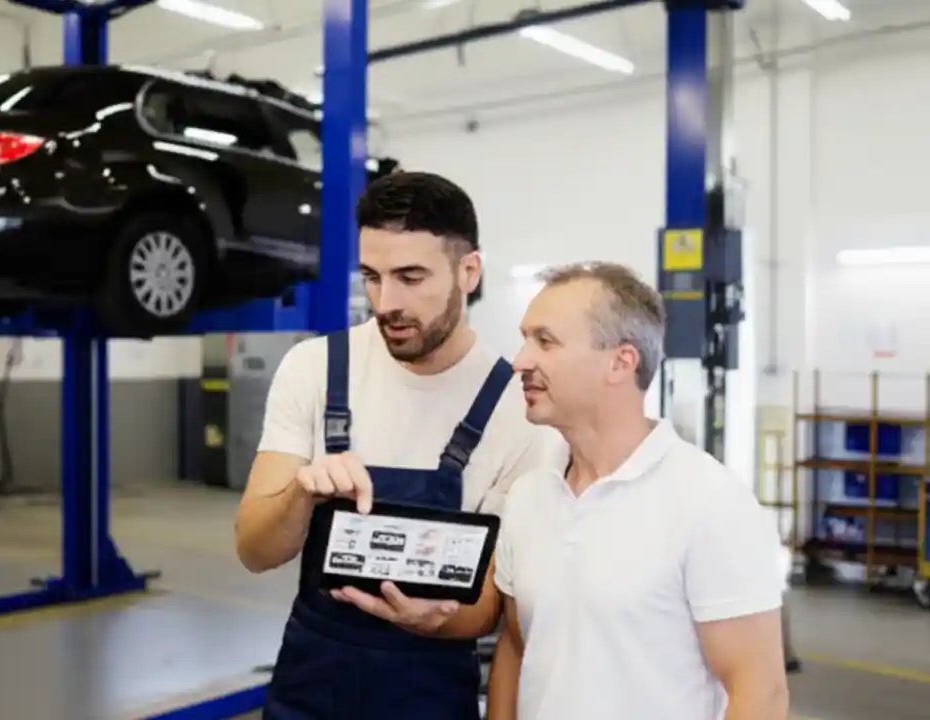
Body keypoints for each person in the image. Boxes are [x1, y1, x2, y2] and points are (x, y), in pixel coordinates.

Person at [234, 171, 546, 720]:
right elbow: (255, 552)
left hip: (429, 696)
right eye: (373, 277)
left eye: (410, 276)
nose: (386, 302)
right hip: (309, 690)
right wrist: (301, 496)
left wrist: (436, 620)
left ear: (469, 271)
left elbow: (493, 608)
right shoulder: (314, 369)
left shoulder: (516, 409)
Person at [487, 261, 789, 720]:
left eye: (545, 341)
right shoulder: (529, 495)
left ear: (620, 362)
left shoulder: (708, 501)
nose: (521, 361)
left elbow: (759, 693)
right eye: (526, 338)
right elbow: (516, 645)